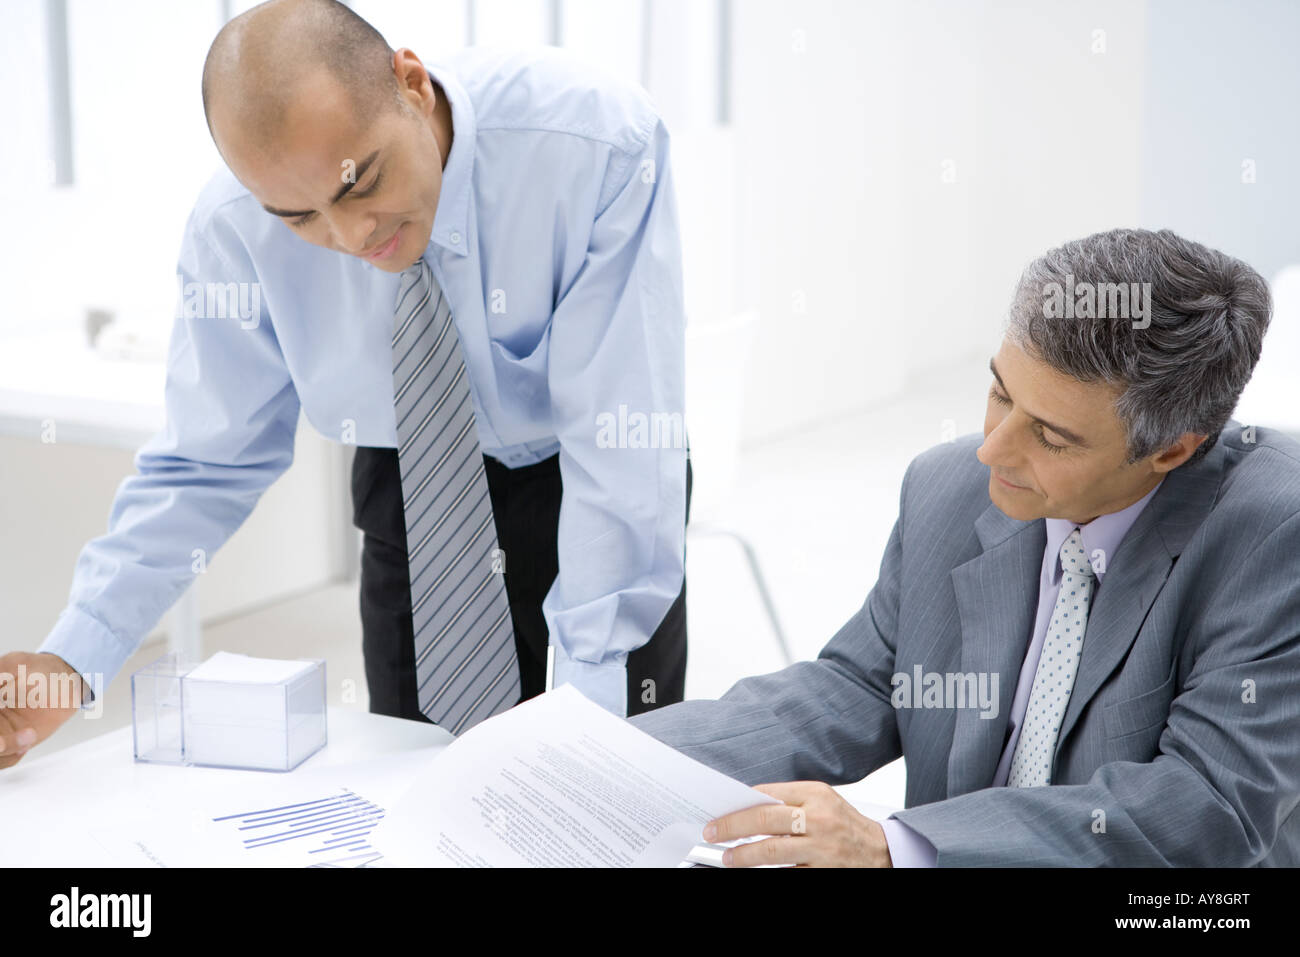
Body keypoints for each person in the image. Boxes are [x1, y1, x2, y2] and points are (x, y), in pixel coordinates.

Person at [0, 0, 689, 768]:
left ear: (413, 83)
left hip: (583, 486)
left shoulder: (593, 143)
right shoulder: (235, 227)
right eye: (301, 217)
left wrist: (588, 727)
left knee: (609, 791)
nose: (352, 236)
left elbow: (618, 443)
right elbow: (205, 463)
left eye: (363, 183)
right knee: (420, 784)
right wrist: (70, 658)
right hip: (415, 498)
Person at [632, 228, 1300, 867]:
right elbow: (859, 684)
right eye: (999, 394)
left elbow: (1205, 806)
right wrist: (627, 758)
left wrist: (893, 848)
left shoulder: (1273, 533)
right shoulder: (947, 485)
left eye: (1052, 436)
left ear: (1173, 449)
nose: (992, 449)